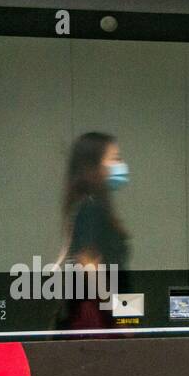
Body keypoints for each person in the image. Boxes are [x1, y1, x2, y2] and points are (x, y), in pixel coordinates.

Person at [56, 132, 130, 331]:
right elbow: (88, 263)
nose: (121, 165)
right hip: (97, 321)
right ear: (93, 167)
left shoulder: (89, 207)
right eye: (115, 158)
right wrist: (116, 313)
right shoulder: (91, 208)